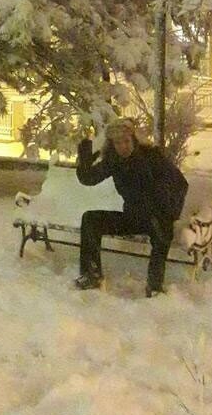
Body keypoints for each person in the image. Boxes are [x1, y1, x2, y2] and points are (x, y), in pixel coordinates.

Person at [74, 117, 188, 296]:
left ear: (133, 139)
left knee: (161, 232)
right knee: (90, 218)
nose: (123, 146)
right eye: (117, 143)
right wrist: (84, 160)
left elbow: (180, 183)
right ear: (112, 145)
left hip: (159, 216)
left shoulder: (152, 157)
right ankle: (91, 275)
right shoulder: (114, 161)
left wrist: (167, 209)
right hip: (133, 218)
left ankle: (155, 286)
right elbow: (89, 179)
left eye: (126, 141)